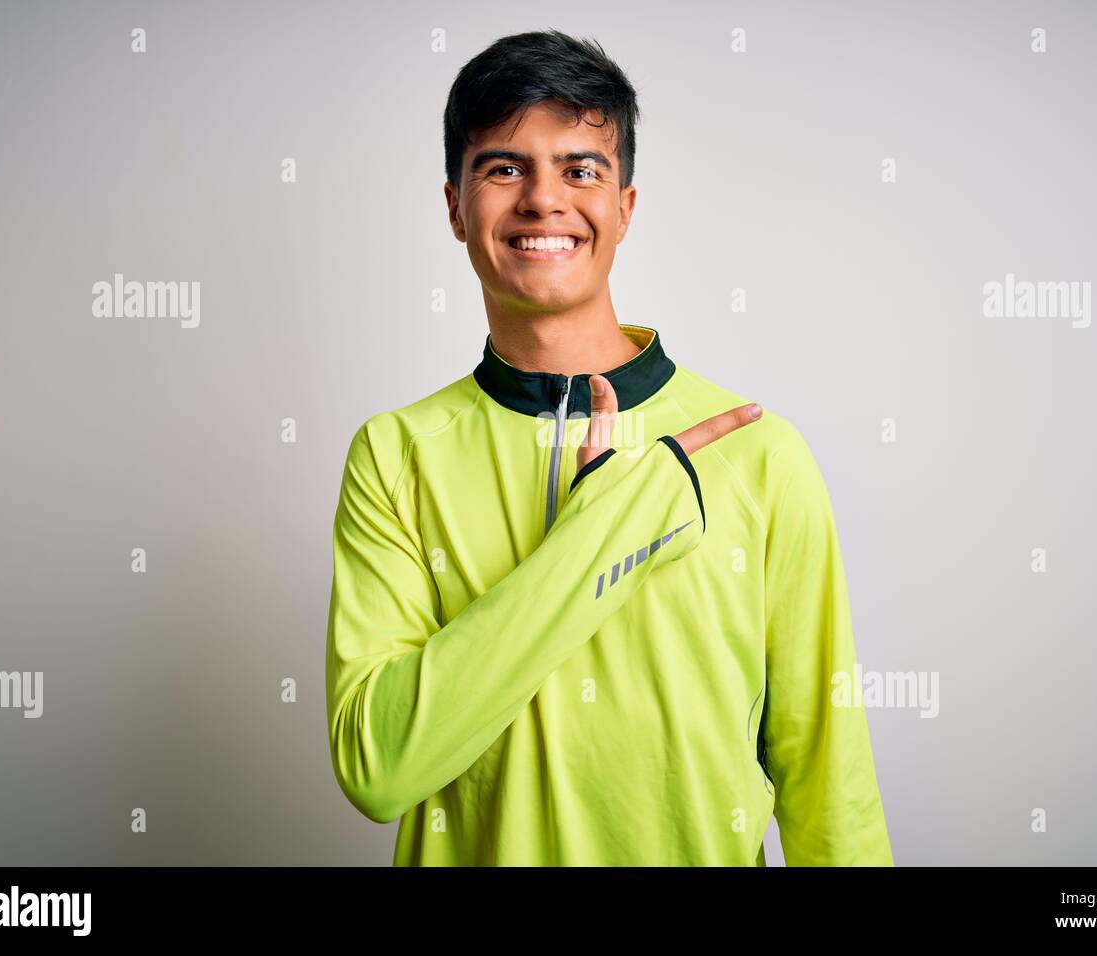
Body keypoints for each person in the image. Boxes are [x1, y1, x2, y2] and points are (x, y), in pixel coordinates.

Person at [324, 28, 894, 866]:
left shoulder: (760, 451)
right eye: (504, 167)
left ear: (624, 207)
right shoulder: (394, 454)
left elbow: (827, 781)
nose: (543, 199)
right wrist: (612, 529)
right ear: (455, 206)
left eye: (581, 168)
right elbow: (377, 768)